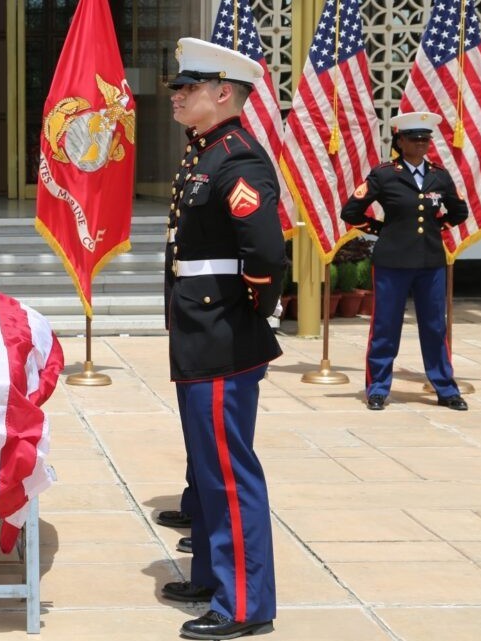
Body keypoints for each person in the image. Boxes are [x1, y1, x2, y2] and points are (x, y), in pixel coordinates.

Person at [160, 38, 285, 640]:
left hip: (222, 334)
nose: (177, 95)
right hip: (199, 330)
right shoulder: (205, 153)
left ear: (224, 93)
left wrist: (247, 314)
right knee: (207, 468)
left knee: (230, 474)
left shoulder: (238, 161)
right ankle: (211, 575)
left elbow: (265, 256)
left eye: (189, 87)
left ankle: (244, 604)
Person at [341, 111, 469, 412]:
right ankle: (377, 388)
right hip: (393, 263)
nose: (421, 143)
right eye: (414, 139)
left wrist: (438, 227)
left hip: (430, 262)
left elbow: (459, 211)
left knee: (435, 327)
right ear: (400, 141)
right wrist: (381, 230)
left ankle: (445, 389)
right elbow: (351, 211)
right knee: (385, 326)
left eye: (426, 139)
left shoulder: (439, 175)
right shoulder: (385, 174)